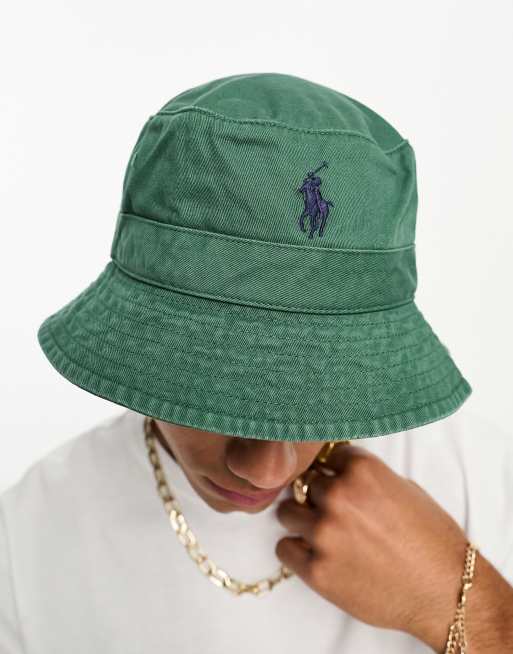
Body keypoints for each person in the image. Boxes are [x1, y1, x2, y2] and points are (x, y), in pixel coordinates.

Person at [1, 72, 512, 653]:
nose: (266, 470)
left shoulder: (476, 483)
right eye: (219, 387)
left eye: (321, 390)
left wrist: (453, 600)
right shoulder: (29, 544)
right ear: (141, 341)